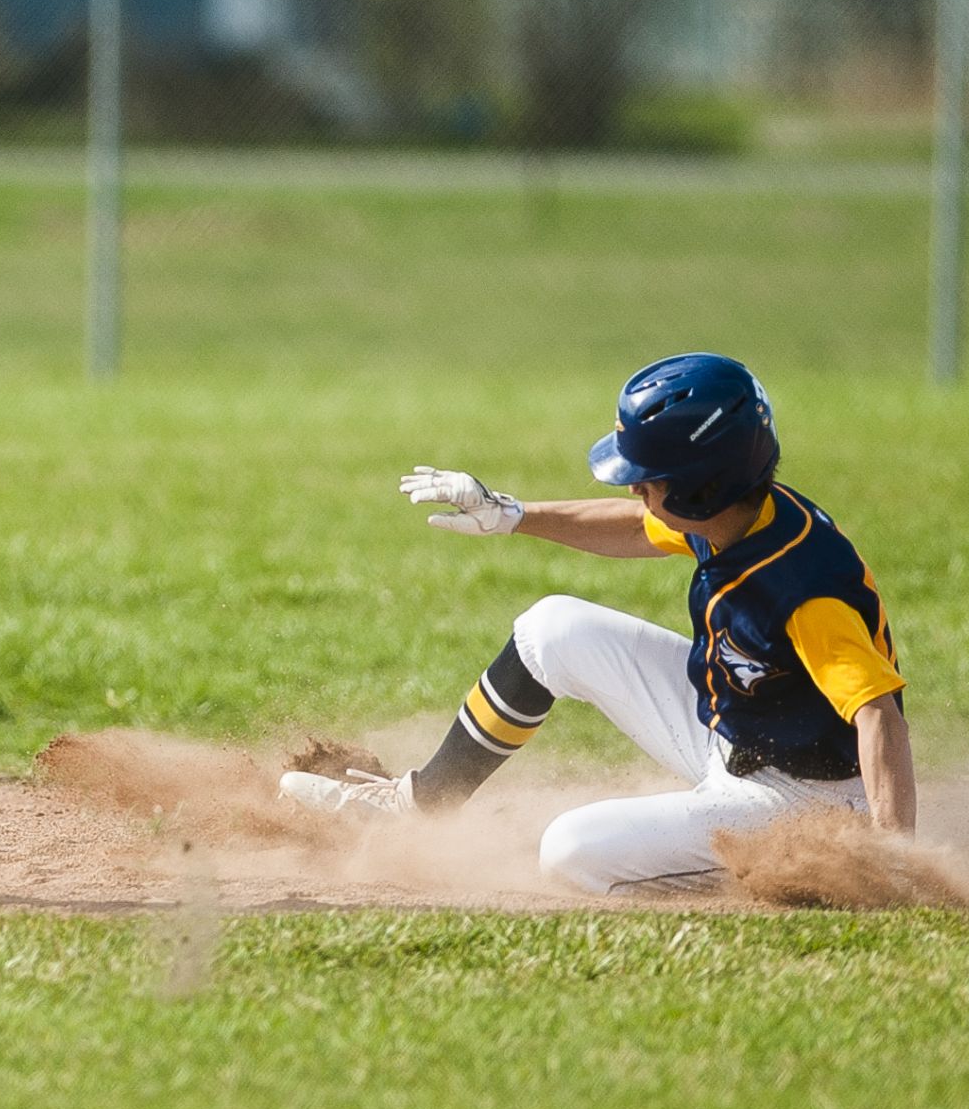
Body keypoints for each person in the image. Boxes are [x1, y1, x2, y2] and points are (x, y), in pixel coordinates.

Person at [280, 353, 916, 895]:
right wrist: (512, 515)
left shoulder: (804, 591)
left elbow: (878, 715)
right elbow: (638, 526)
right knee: (552, 628)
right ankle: (420, 806)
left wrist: (887, 862)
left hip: (802, 800)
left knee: (571, 851)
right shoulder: (738, 515)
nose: (635, 489)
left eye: (648, 478)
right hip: (736, 729)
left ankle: (802, 870)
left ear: (700, 488)